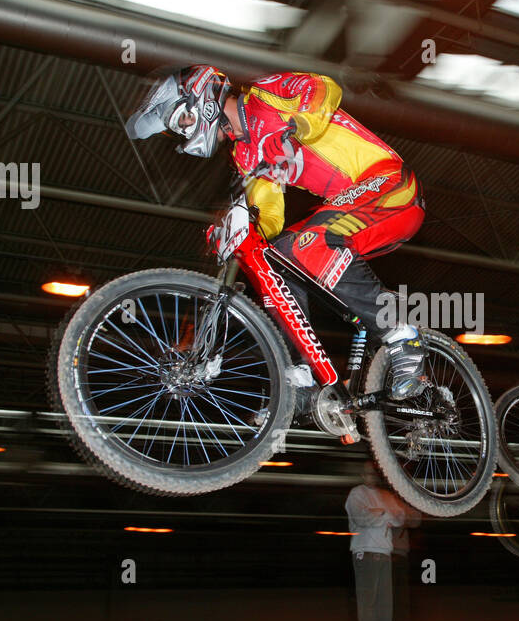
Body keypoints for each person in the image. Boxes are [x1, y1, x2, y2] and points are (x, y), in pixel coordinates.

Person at [124, 65, 428, 399]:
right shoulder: (245, 155)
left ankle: (402, 333)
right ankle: (303, 376)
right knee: (279, 258)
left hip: (391, 185)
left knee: (308, 243)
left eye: (181, 120)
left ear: (201, 98)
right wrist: (237, 233)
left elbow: (324, 87)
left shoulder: (265, 95)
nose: (185, 133)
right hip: (362, 216)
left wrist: (301, 122)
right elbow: (268, 217)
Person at [346, 462, 421, 621]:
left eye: (374, 472)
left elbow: (400, 518)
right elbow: (362, 518)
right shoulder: (356, 494)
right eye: (368, 472)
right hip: (365, 553)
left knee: (385, 605)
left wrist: (381, 513)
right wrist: (385, 515)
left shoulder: (385, 496)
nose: (371, 476)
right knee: (368, 604)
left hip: (385, 553)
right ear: (362, 475)